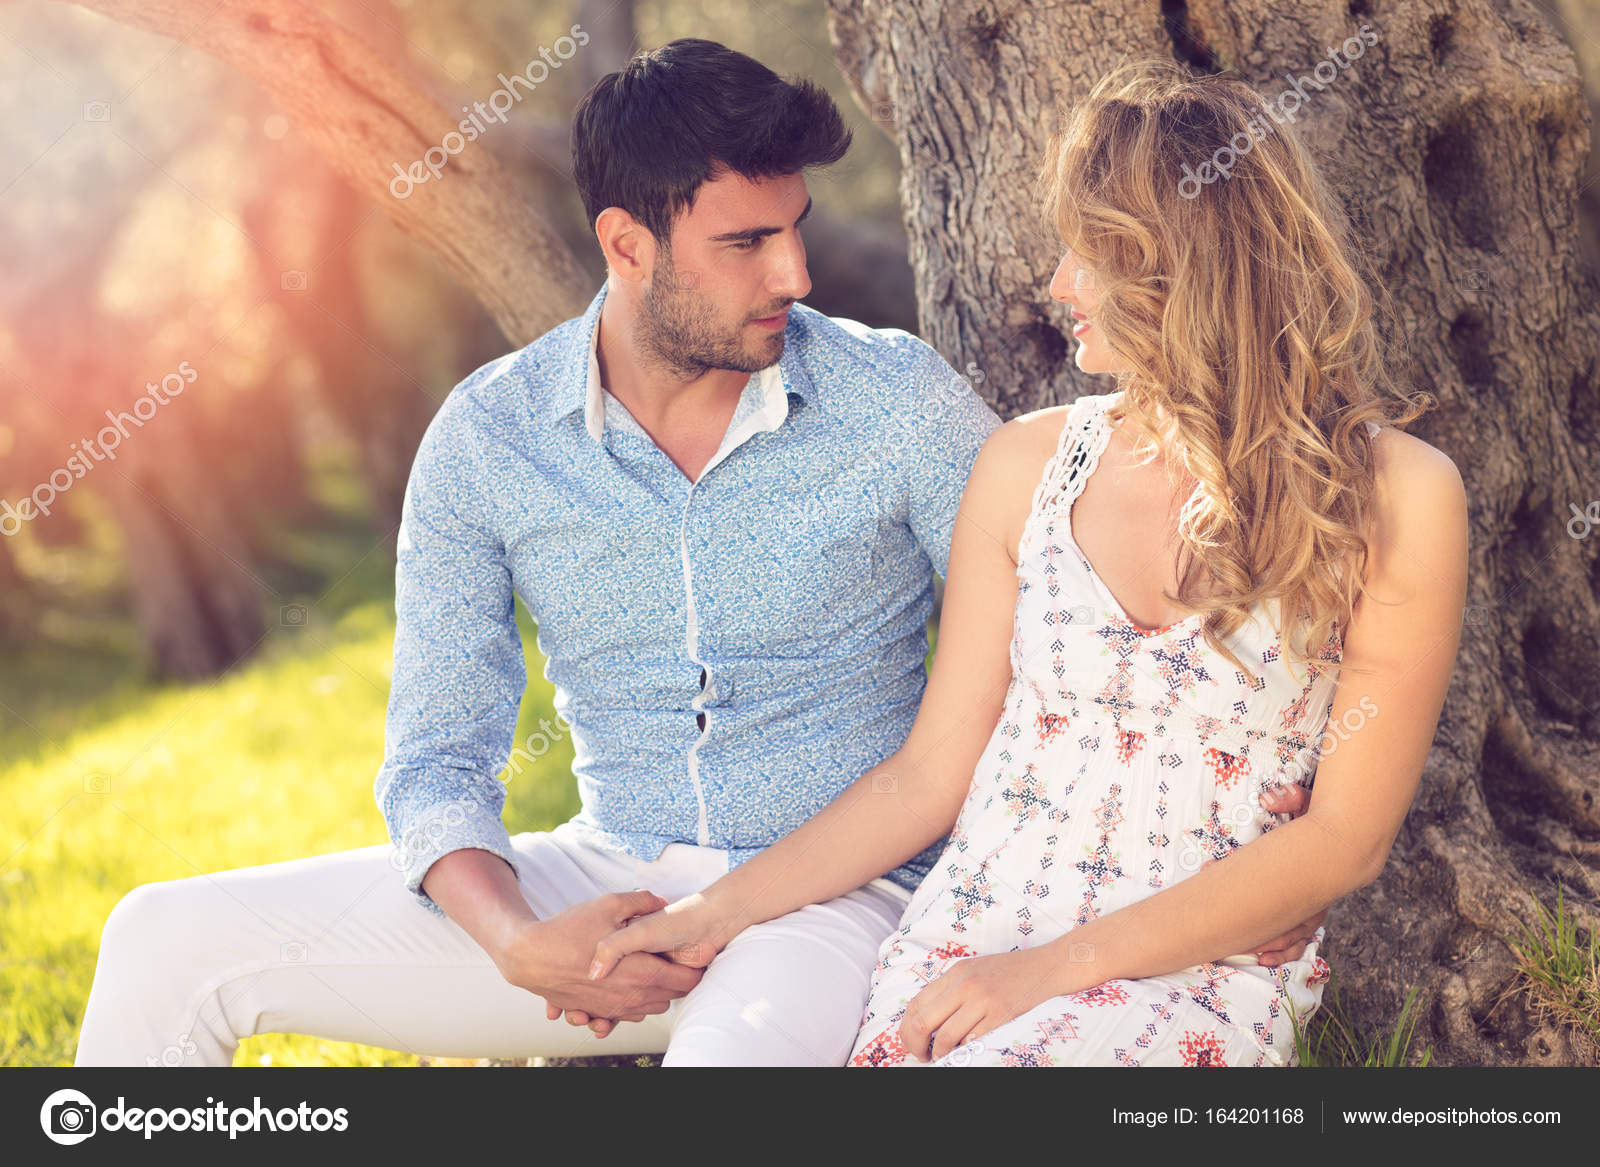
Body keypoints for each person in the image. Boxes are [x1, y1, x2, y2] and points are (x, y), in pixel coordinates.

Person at [73, 42, 1319, 1069]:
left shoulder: (898, 406)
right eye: (744, 244)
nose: (796, 272)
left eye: (795, 229)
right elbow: (436, 763)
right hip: (601, 886)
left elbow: (1062, 647)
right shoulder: (490, 439)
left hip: (843, 903)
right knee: (160, 941)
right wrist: (515, 938)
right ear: (626, 245)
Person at [584, 59, 1468, 1067]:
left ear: (1181, 265)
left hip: (1186, 972)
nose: (1057, 287)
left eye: (1088, 254)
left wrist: (1047, 974)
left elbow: (1343, 839)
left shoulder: (1395, 494)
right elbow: (927, 777)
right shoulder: (1027, 468)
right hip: (967, 943)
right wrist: (710, 913)